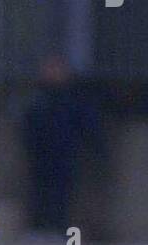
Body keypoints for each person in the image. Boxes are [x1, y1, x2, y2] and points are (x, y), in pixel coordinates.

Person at [19, 56, 101, 233]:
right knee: (39, 190)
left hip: (65, 152)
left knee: (62, 192)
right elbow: (28, 123)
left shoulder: (73, 98)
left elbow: (84, 123)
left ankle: (58, 227)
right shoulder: (37, 97)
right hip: (40, 153)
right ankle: (38, 227)